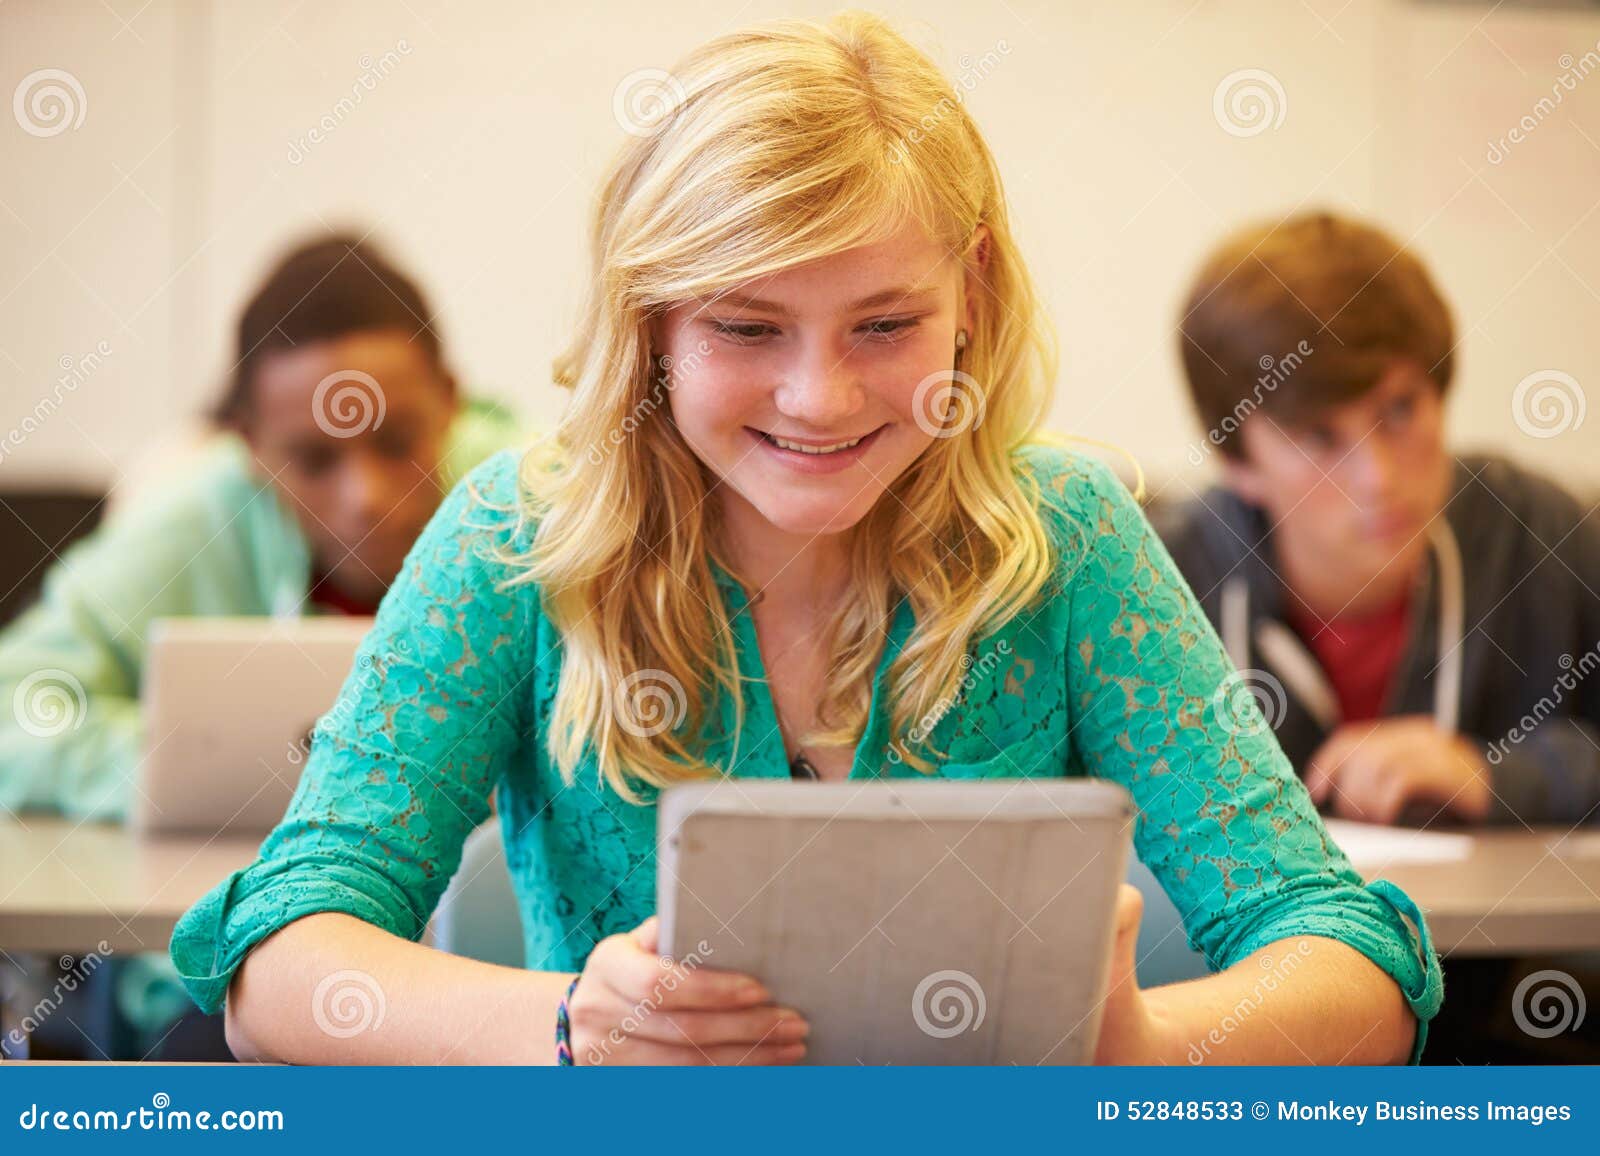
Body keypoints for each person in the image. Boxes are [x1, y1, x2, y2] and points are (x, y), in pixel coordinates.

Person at [172, 12, 1441, 1066]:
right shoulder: (519, 535)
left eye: (885, 325)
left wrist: (1155, 1047)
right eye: (745, 327)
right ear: (652, 323)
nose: (819, 399)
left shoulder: (1070, 534)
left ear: (972, 299)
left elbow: (1351, 961)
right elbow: (281, 954)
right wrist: (570, 1024)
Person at [0, 233, 522, 1060]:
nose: (365, 498)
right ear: (247, 441)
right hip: (237, 972)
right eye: (314, 459)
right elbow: (15, 700)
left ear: (451, 401)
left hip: (494, 973)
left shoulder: (537, 504)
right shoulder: (199, 523)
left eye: (396, 443)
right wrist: (174, 765)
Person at [1156, 211, 1599, 828]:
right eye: (1320, 435)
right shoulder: (1156, 583)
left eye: (1400, 409)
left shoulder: (1543, 534)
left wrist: (1495, 775)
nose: (1379, 478)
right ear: (1239, 461)